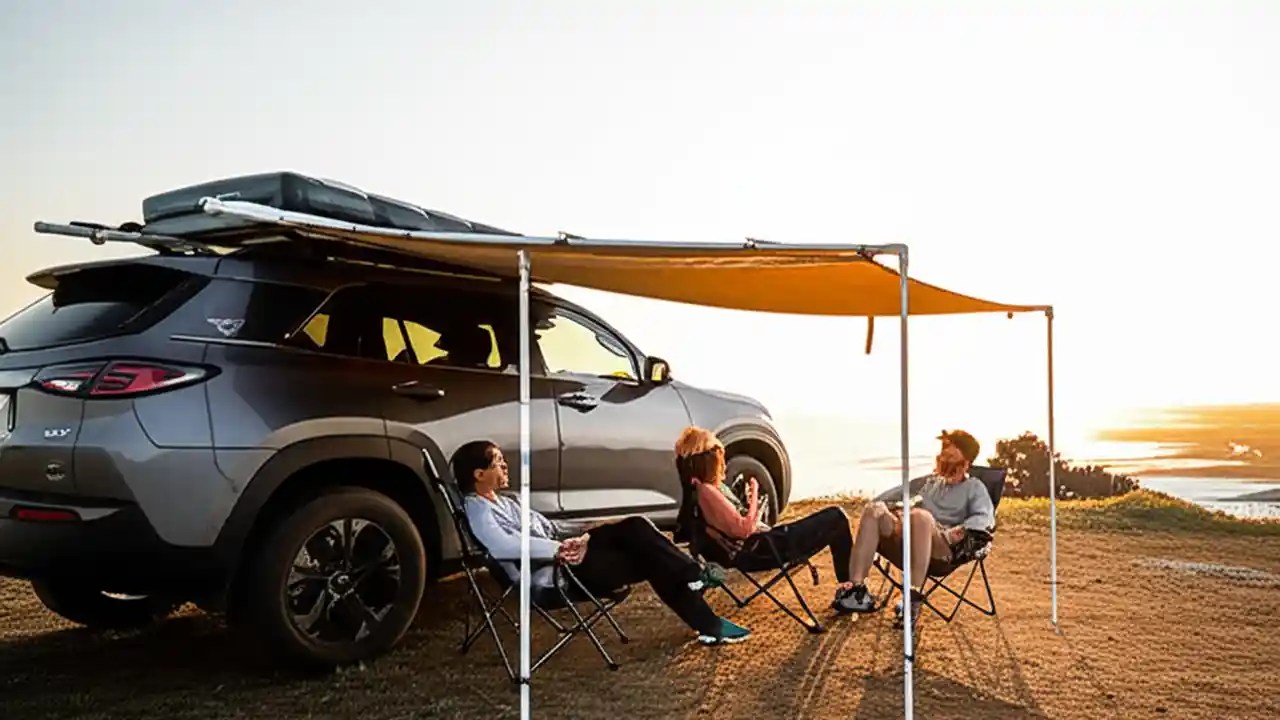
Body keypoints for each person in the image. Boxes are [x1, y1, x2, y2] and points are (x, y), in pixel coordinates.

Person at [454, 439, 752, 646]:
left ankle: (708, 622)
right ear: (479, 474)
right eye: (497, 462)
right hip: (559, 573)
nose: (505, 466)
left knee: (647, 550)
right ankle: (695, 577)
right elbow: (501, 546)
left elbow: (551, 527)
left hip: (572, 557)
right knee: (637, 528)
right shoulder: (478, 508)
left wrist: (584, 531)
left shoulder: (508, 501)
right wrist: (559, 548)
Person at [673, 426, 857, 609]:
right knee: (837, 517)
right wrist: (754, 494)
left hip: (761, 545)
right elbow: (744, 529)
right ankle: (851, 589)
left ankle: (849, 586)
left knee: (833, 518)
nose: (722, 463)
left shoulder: (696, 491)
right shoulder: (707, 492)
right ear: (709, 461)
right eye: (719, 457)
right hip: (763, 550)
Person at [833, 429, 996, 627]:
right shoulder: (931, 483)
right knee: (874, 509)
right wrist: (893, 509)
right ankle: (857, 591)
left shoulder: (974, 487)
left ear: (966, 461)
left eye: (951, 454)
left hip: (942, 551)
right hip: (909, 543)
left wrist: (956, 532)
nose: (944, 457)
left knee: (920, 517)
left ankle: (913, 596)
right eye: (943, 452)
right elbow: (896, 495)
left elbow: (985, 519)